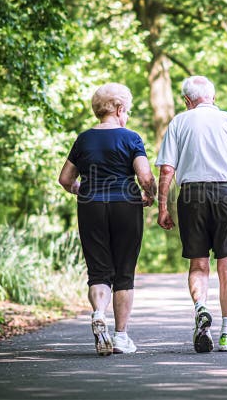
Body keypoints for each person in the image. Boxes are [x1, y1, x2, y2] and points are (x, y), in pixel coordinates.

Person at [155, 75, 227, 353]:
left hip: (190, 195)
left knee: (198, 264)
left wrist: (163, 207)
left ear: (187, 100)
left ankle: (201, 308)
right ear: (213, 97)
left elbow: (167, 170)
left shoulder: (179, 122)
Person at [58, 82, 156, 356]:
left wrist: (81, 190)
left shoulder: (84, 139)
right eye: (128, 111)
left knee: (99, 271)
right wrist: (151, 194)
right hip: (125, 204)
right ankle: (121, 336)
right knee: (124, 271)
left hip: (91, 206)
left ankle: (99, 312)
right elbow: (145, 176)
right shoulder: (130, 138)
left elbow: (65, 179)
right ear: (119, 108)